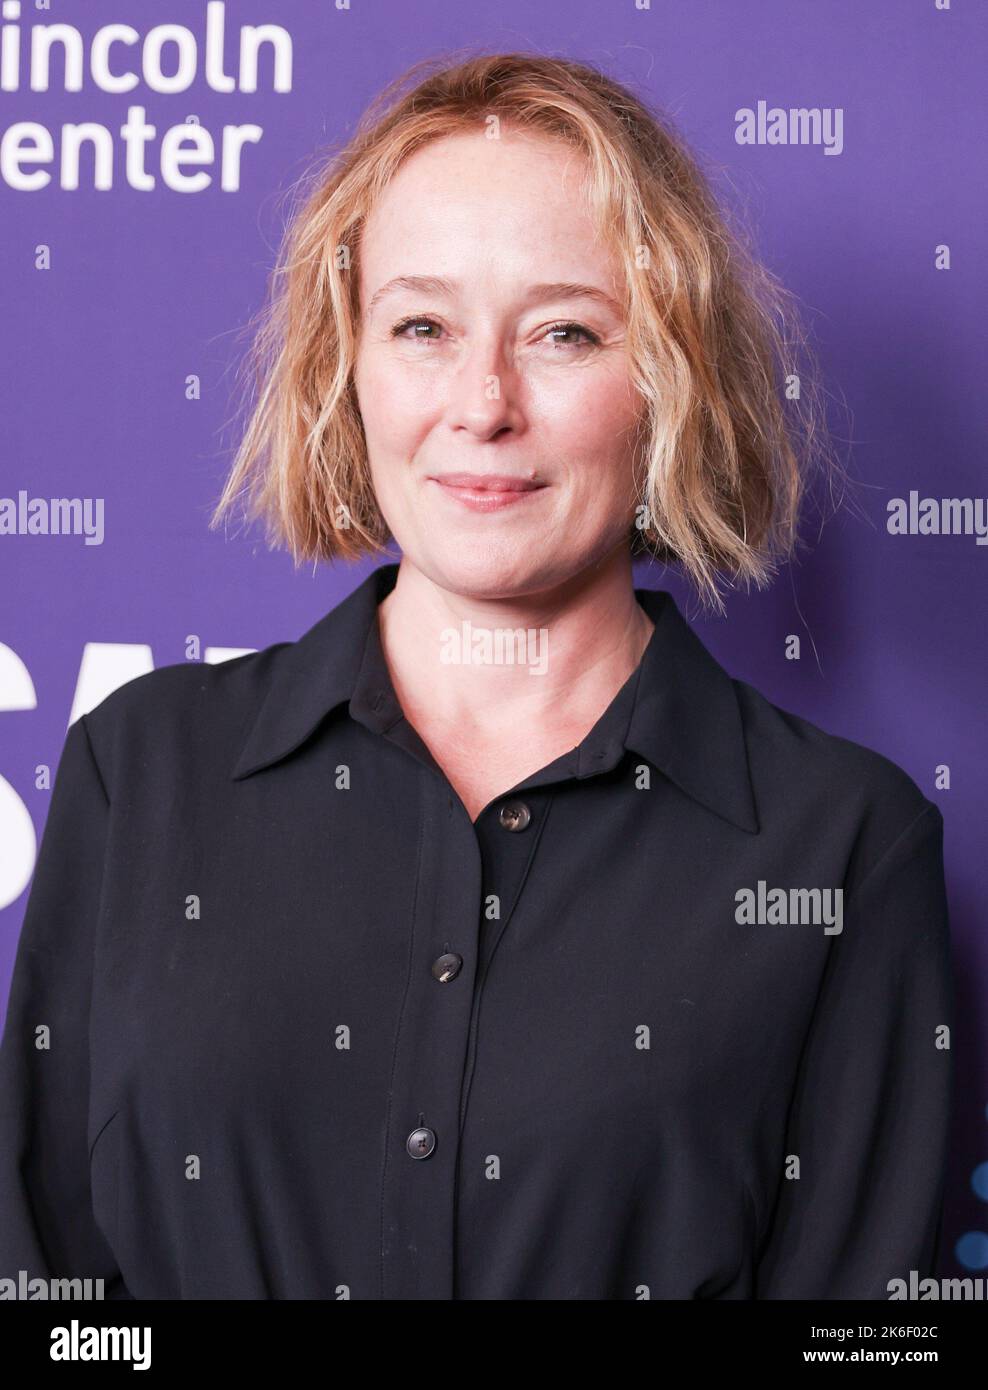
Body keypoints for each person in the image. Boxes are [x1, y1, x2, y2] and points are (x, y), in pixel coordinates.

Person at [0, 53, 953, 1300]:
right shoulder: (142, 770)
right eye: (422, 327)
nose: (482, 401)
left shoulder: (842, 847)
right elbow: (50, 1292)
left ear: (670, 380)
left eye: (563, 331)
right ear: (348, 367)